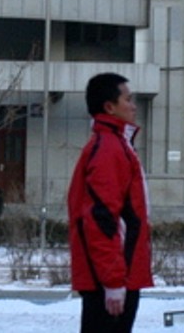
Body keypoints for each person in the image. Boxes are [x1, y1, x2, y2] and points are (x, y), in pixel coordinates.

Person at [68, 72, 152, 333]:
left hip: (115, 275)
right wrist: (113, 282)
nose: (134, 106)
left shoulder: (114, 145)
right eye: (128, 99)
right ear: (109, 107)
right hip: (112, 278)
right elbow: (101, 219)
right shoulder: (109, 148)